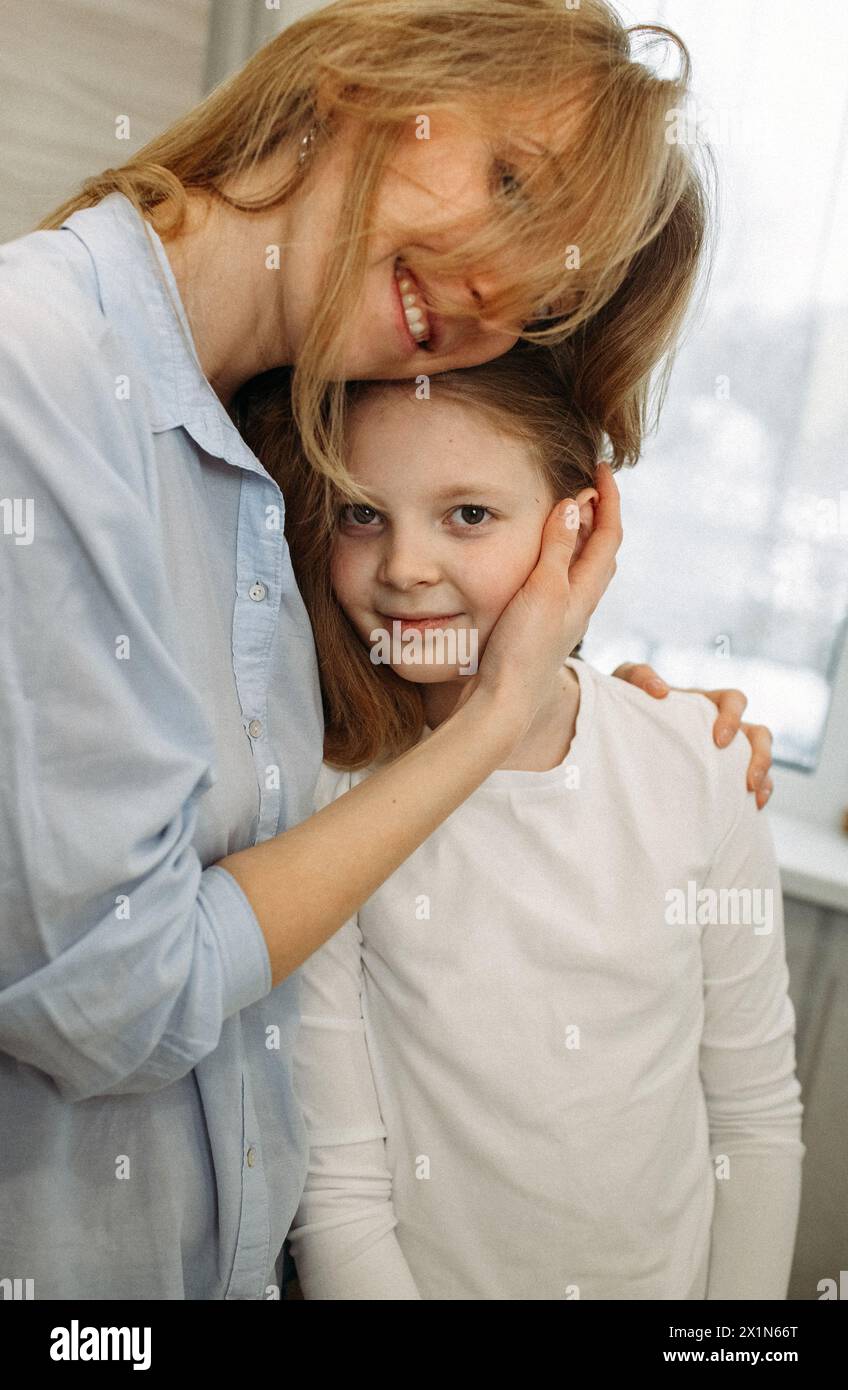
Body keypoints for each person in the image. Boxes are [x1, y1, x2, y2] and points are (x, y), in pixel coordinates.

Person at [0, 0, 772, 1300]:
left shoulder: (268, 456)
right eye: (508, 179)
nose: (494, 294)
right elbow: (113, 1001)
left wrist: (613, 733)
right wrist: (496, 722)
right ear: (372, 62)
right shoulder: (41, 378)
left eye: (543, 292)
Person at [279, 350, 804, 1299]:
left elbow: (754, 1121)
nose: (403, 566)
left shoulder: (699, 767)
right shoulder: (326, 811)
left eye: (468, 514)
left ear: (582, 524)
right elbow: (339, 1193)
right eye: (363, 514)